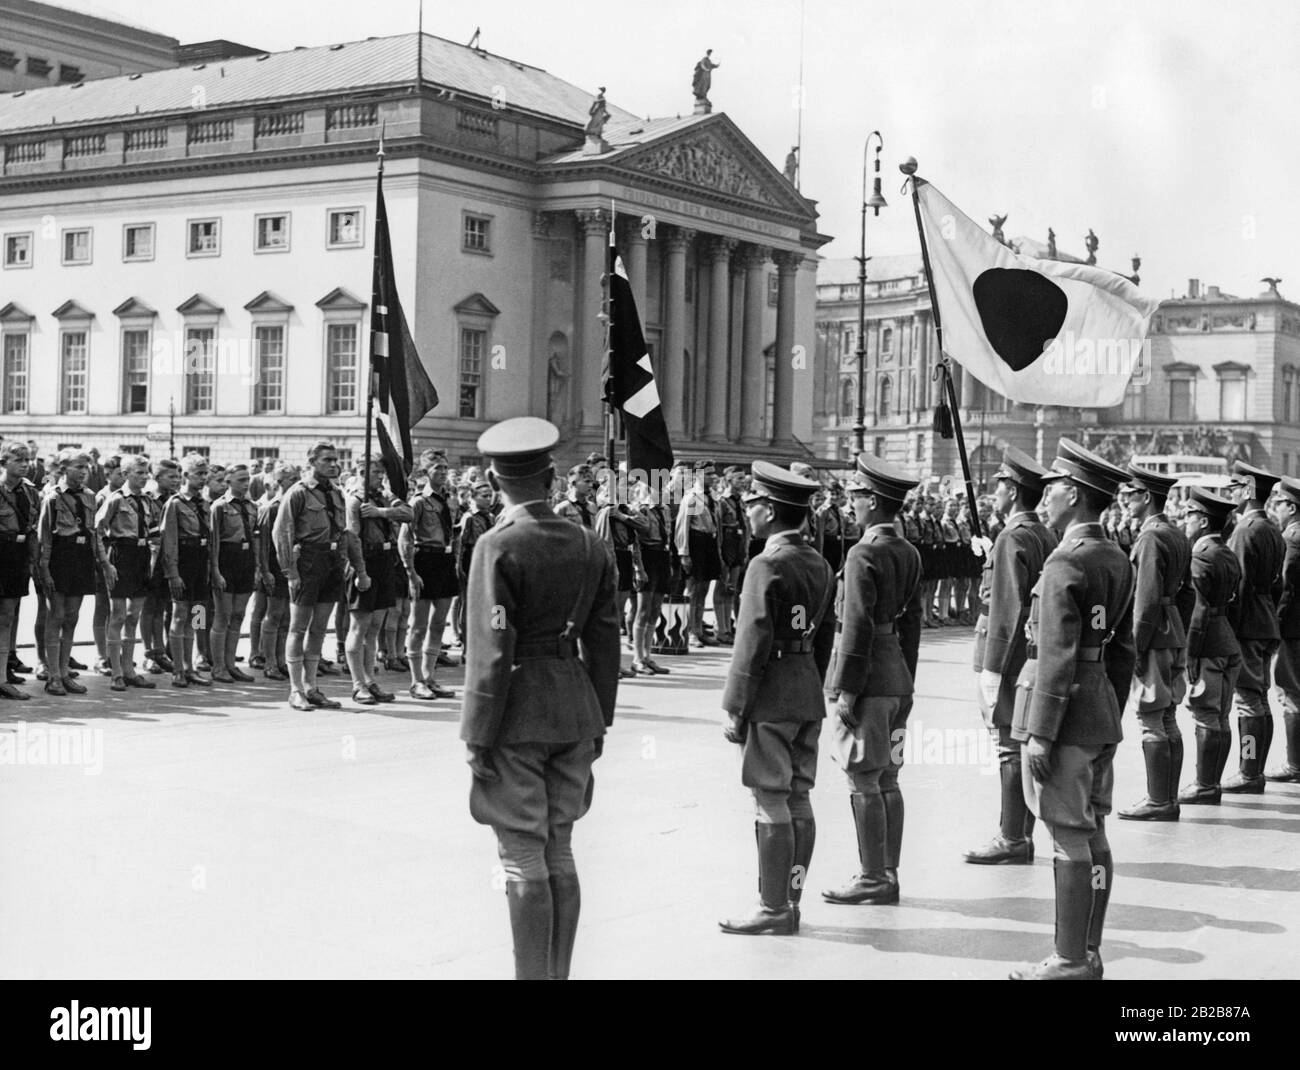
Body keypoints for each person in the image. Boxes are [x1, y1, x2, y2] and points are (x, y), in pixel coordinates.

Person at [460, 417, 619, 980]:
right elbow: (605, 638)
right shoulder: (589, 542)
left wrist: (476, 734)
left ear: (490, 477)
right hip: (575, 705)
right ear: (552, 476)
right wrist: (600, 718)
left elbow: (490, 649)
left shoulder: (496, 544)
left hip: (517, 714)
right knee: (560, 848)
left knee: (522, 854)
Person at [1009, 439, 1135, 981]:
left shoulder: (1065, 561)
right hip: (1099, 708)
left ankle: (1067, 960)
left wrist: (1040, 732)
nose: (1047, 494)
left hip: (1061, 715)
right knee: (1093, 829)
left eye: (1056, 485)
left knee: (1066, 832)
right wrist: (1110, 709)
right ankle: (1089, 948)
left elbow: (1056, 652)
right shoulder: (1117, 557)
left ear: (1077, 494)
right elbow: (1123, 650)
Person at [719, 462, 836, 936]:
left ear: (769, 510)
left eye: (752, 503)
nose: (747, 510)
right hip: (806, 687)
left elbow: (752, 639)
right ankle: (791, 897)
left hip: (771, 694)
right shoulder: (820, 562)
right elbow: (826, 633)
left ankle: (772, 907)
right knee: (799, 798)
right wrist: (815, 679)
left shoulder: (766, 564)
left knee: (769, 799)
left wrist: (736, 704)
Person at [821, 456, 922, 907]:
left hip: (869, 680)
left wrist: (846, 687)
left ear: (875, 501)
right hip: (897, 676)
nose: (851, 503)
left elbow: (857, 624)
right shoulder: (908, 551)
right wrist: (908, 678)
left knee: (863, 777)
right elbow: (914, 624)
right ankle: (889, 872)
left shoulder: (864, 552)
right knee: (889, 778)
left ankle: (872, 875)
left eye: (857, 496)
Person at [964, 447, 1057, 865]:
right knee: (1017, 743)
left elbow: (1006, 608)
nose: (993, 493)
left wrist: (992, 668)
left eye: (999, 485)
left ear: (1014, 490)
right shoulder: (1042, 533)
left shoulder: (1012, 537)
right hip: (1031, 654)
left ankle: (1011, 838)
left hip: (1010, 656)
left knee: (1007, 745)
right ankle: (1021, 833)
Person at [1116, 465, 1192, 821]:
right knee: (1168, 714)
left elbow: (1144, 599)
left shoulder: (1149, 537)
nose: (1125, 500)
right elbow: (1188, 593)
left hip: (1155, 633)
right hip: (1174, 628)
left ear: (1146, 498)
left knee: (1151, 715)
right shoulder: (1175, 533)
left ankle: (1158, 800)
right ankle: (1168, 797)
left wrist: (1135, 645)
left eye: (1131, 495)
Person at [273, 442, 367, 711]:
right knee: (298, 627)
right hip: (307, 562)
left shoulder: (337, 493)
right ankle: (295, 689)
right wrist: (289, 571)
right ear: (311, 462)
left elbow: (347, 534)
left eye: (336, 460)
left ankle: (312, 686)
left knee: (318, 629)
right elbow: (282, 534)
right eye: (327, 460)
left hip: (332, 560)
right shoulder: (298, 493)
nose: (334, 464)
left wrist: (358, 568)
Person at [1176, 488, 1243, 804]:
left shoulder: (1201, 555)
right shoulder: (1226, 552)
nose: (1185, 520)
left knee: (1205, 715)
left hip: (1208, 645)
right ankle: (1211, 782)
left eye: (1189, 514)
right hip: (1227, 640)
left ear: (1203, 520)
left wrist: (1191, 652)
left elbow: (1200, 609)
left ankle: (1205, 784)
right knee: (1221, 716)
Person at [1222, 461, 1285, 792]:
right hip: (1265, 621)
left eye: (1234, 487)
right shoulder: (1272, 527)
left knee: (1247, 699)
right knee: (1259, 698)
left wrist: (1230, 628)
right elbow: (1277, 584)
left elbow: (1239, 585)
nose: (1230, 493)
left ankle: (1248, 772)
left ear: (1247, 490)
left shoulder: (1246, 530)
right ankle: (1255, 769)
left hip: (1247, 625)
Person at [38, 450, 113, 696]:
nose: (83, 472)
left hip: (81, 560)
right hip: (60, 558)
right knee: (56, 616)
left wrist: (104, 563)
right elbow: (45, 537)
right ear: (63, 468)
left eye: (86, 468)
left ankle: (64, 671)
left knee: (72, 617)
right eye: (78, 467)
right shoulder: (52, 497)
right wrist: (45, 569)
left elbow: (94, 534)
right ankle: (53, 676)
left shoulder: (90, 497)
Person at [345, 460, 411, 705]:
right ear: (362, 474)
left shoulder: (383, 497)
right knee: (359, 626)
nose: (381, 476)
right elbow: (352, 538)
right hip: (366, 561)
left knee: (374, 627)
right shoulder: (355, 501)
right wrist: (361, 572)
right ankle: (357, 683)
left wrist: (380, 512)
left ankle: (370, 679)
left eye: (382, 472)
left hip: (385, 562)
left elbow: (408, 513)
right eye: (376, 472)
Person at [94, 455, 158, 692]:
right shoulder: (115, 500)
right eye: (138, 473)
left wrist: (152, 557)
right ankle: (116, 672)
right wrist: (105, 563)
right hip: (121, 555)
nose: (144, 477)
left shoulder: (148, 501)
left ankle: (130, 670)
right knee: (118, 615)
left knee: (134, 616)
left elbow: (154, 533)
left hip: (141, 558)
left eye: (145, 473)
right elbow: (97, 530)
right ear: (126, 474)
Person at [400, 449, 459, 700]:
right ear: (425, 473)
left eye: (445, 467)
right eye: (438, 468)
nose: (443, 472)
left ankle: (429, 675)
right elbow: (405, 538)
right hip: (424, 560)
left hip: (444, 561)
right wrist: (411, 573)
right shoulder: (419, 502)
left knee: (438, 624)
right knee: (419, 624)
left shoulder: (450, 499)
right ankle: (416, 681)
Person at [593, 474, 647, 677]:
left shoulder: (624, 511)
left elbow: (642, 526)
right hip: (612, 560)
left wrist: (625, 515)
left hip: (625, 558)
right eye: (624, 489)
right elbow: (604, 541)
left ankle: (615, 663)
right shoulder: (606, 512)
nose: (629, 492)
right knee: (611, 614)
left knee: (619, 613)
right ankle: (608, 665)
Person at [1266, 476, 1300, 782]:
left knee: (1291, 695)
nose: (1274, 508)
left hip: (1293, 629)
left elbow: (1287, 588)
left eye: (1278, 503)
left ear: (1291, 506)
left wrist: (1273, 628)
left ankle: (1293, 763)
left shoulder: (1292, 537)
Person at [255, 461, 299, 681]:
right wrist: (264, 570)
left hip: (288, 566)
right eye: (292, 478)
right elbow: (262, 543)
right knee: (271, 615)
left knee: (286, 617)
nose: (297, 482)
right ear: (280, 482)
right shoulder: (271, 507)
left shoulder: (292, 505)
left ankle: (281, 659)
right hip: (272, 566)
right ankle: (267, 659)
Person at [0, 443, 38, 700]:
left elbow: (33, 529)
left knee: (7, 617)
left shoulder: (29, 492)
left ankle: (2, 675)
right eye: (18, 459)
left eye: (27, 459)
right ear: (4, 462)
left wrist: (37, 563)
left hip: (17, 557)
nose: (25, 464)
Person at [675, 459, 723, 648]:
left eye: (713, 473)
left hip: (709, 543)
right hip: (696, 542)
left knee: (703, 589)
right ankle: (690, 631)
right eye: (708, 474)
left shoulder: (711, 497)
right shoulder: (692, 497)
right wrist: (684, 552)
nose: (713, 477)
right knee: (693, 589)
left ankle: (699, 629)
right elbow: (683, 525)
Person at [630, 480, 672, 676]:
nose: (663, 491)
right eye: (658, 488)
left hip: (661, 556)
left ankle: (648, 655)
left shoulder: (664, 510)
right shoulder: (641, 510)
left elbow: (668, 536)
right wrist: (639, 568)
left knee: (655, 608)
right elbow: (636, 542)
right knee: (643, 609)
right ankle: (638, 658)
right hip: (647, 555)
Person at [454, 479, 496, 662]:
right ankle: (468, 647)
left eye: (490, 496)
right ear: (473, 497)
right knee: (469, 607)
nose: (488, 500)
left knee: (496, 604)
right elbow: (460, 544)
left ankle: (496, 641)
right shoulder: (469, 518)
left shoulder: (492, 517)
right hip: (471, 561)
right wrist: (459, 568)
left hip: (490, 562)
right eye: (484, 496)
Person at [91, 455, 125, 676]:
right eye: (119, 473)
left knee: (195, 608)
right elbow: (97, 531)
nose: (123, 477)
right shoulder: (103, 497)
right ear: (108, 474)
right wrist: (102, 561)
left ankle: (203, 649)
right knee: (104, 607)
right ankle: (103, 655)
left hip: (126, 557)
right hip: (105, 555)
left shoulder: (132, 496)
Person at [715, 465, 750, 644]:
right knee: (721, 588)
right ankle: (720, 628)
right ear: (728, 480)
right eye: (739, 479)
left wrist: (745, 551)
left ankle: (728, 629)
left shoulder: (741, 502)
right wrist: (719, 554)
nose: (743, 482)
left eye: (744, 479)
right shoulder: (722, 501)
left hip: (738, 548)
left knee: (732, 589)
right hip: (726, 547)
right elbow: (718, 530)